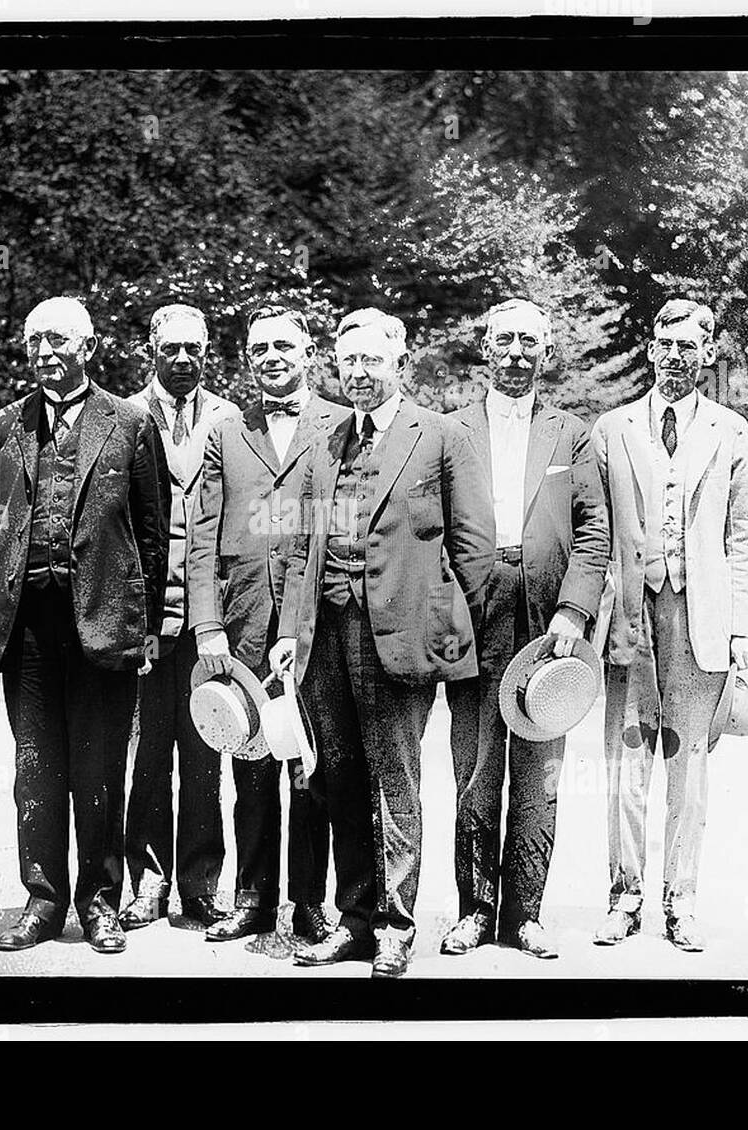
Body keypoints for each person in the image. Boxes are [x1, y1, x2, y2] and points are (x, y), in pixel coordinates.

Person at [270, 308, 494, 978]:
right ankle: (356, 921)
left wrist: (439, 624)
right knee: (338, 781)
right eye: (348, 361)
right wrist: (288, 632)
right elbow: (298, 546)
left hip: (400, 639)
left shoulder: (442, 436)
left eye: (371, 360)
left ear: (402, 364)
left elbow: (475, 552)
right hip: (326, 635)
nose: (358, 373)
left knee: (395, 782)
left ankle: (397, 927)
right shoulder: (325, 439)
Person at [0, 295, 168, 954]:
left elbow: (151, 537)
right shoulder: (3, 428)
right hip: (25, 630)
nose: (46, 353)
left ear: (89, 348)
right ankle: (44, 898)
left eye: (59, 341)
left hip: (104, 625)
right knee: (36, 769)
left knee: (100, 768)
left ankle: (101, 898)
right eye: (35, 342)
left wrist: (143, 632)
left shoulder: (131, 424)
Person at [589, 298, 748, 952]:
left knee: (689, 767)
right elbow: (596, 530)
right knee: (627, 763)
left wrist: (743, 625)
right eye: (665, 344)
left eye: (690, 346)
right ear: (650, 348)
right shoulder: (613, 428)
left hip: (701, 619)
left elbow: (743, 537)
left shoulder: (730, 431)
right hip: (630, 617)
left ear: (709, 352)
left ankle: (680, 899)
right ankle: (624, 894)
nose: (675, 357)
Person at [441, 298, 609, 959]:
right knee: (476, 766)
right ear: (485, 347)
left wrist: (574, 610)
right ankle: (475, 910)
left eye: (528, 342)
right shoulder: (450, 431)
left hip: (548, 620)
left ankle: (526, 914)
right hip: (475, 612)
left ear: (547, 352)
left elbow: (595, 528)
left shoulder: (572, 434)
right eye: (504, 340)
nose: (515, 353)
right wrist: (448, 605)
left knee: (540, 766)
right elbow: (431, 530)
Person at [186, 305, 343, 945]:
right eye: (259, 349)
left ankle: (309, 903)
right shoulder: (226, 430)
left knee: (309, 766)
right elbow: (200, 533)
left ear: (309, 353)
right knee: (249, 766)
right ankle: (253, 899)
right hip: (244, 622)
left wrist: (305, 620)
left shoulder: (339, 424)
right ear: (248, 359)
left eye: (284, 346)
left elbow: (341, 521)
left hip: (316, 626)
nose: (272, 357)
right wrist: (207, 624)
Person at [122, 303, 240, 930]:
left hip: (207, 616)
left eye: (195, 348)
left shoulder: (230, 419)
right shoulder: (122, 416)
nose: (184, 360)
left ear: (208, 352)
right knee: (146, 752)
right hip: (142, 617)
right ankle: (146, 880)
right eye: (172, 349)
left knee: (204, 751)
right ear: (152, 350)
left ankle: (199, 882)